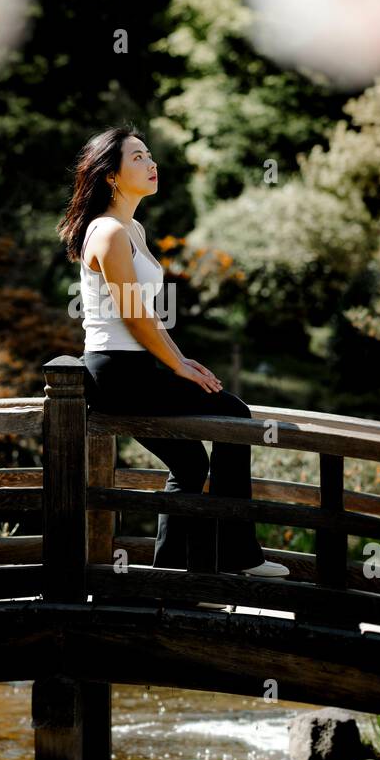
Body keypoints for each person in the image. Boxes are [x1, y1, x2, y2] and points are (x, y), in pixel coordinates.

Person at [56, 124, 289, 583]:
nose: (151, 162)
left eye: (149, 154)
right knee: (236, 418)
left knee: (189, 463)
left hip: (137, 363)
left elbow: (151, 317)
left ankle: (168, 576)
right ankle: (237, 553)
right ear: (111, 175)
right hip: (118, 370)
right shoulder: (106, 232)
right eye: (138, 156)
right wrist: (175, 365)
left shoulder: (133, 229)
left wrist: (182, 359)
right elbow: (134, 316)